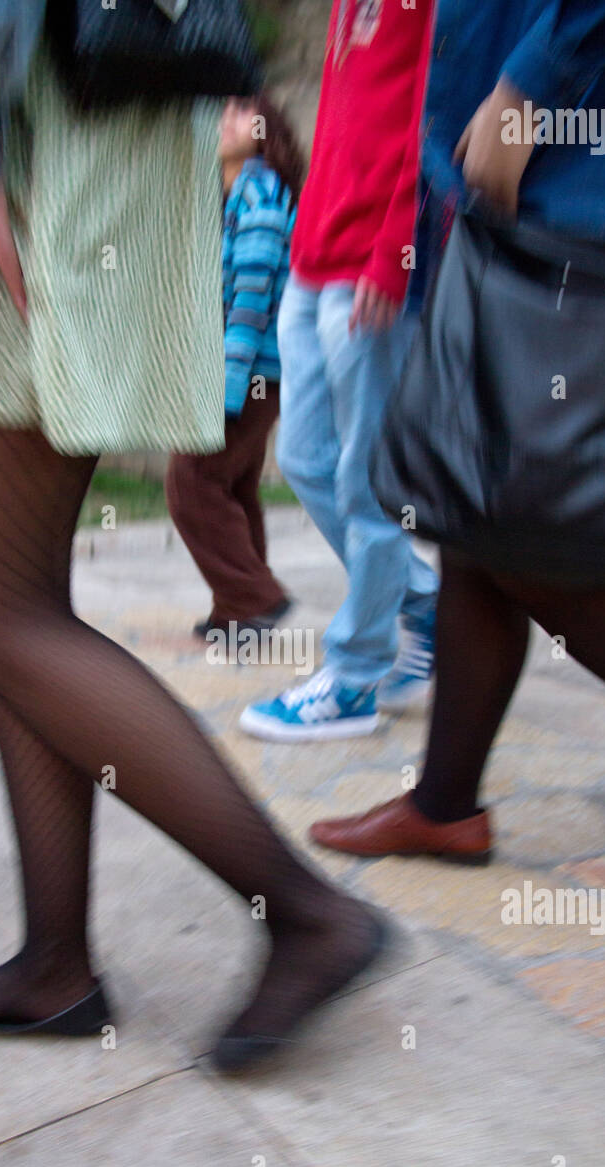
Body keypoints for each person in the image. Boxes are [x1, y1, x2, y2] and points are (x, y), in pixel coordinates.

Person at [0, 0, 392, 1074]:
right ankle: (56, 965)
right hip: (101, 126)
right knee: (16, 606)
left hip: (38, 124)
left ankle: (307, 915)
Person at [309, 0, 605, 887]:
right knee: (475, 511)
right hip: (535, 173)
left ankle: (446, 804)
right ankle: (445, 806)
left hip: (593, 166)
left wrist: (530, 92)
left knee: (545, 546)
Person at [238, 0, 439, 743]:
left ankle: (355, 678)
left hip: (373, 269)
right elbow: (340, 126)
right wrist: (302, 242)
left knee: (367, 484)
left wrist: (395, 248)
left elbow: (434, 113)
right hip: (313, 260)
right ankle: (422, 600)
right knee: (303, 459)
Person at [166, 94, 302, 645]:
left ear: (269, 127)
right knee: (234, 486)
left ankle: (258, 597)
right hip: (256, 371)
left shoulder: (259, 194)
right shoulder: (232, 196)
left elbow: (252, 298)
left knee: (190, 482)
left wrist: (227, 386)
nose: (225, 119)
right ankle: (238, 615)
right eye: (220, 112)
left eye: (241, 111)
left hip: (249, 372)